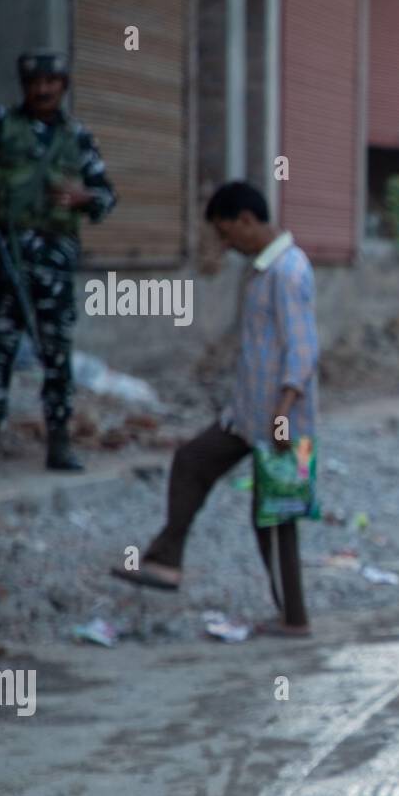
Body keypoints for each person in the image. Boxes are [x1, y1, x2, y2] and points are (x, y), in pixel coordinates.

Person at [111, 182, 318, 638]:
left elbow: (302, 352)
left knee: (275, 518)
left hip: (282, 422)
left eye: (227, 233)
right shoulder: (262, 271)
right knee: (191, 461)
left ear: (247, 220)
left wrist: (283, 413)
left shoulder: (289, 271)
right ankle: (166, 561)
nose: (226, 244)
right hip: (247, 417)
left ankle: (294, 619)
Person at [0, 50, 116, 471]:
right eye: (34, 83)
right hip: (7, 258)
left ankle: (60, 444)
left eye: (50, 82)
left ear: (63, 85)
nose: (42, 90)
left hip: (55, 263)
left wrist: (84, 197)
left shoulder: (78, 137)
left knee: (56, 358)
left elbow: (106, 196)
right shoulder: (0, 125)